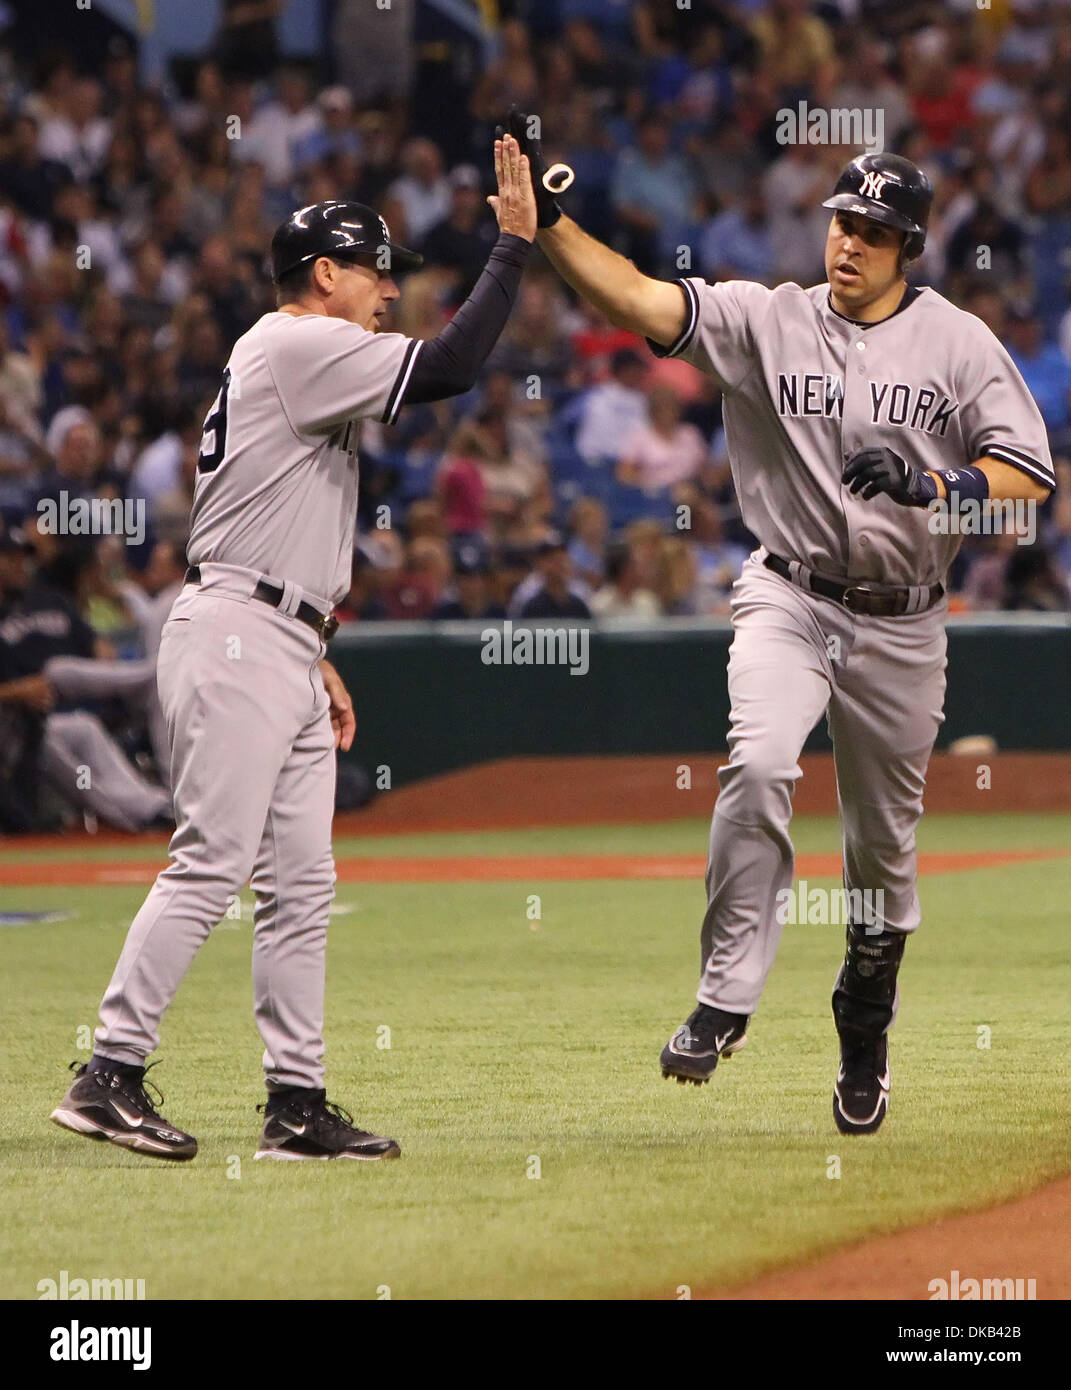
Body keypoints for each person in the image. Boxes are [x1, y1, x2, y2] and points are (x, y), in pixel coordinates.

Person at [507, 116, 1054, 1134]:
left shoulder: (958, 342)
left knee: (883, 854)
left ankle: (863, 1029)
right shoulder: (769, 318)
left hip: (902, 621)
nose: (848, 241)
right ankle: (725, 997)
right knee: (759, 762)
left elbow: (1031, 478)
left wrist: (942, 480)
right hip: (789, 592)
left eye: (873, 231)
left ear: (910, 249)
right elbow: (640, 296)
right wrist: (550, 226)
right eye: (842, 221)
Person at [50, 137, 537, 1163]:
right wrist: (513, 246)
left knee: (300, 883)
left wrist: (313, 642)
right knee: (211, 861)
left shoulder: (297, 359)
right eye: (376, 268)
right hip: (235, 632)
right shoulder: (295, 342)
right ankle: (108, 1073)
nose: (390, 288)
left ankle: (296, 1103)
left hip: (279, 634)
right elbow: (453, 365)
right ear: (325, 273)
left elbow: (278, 517)